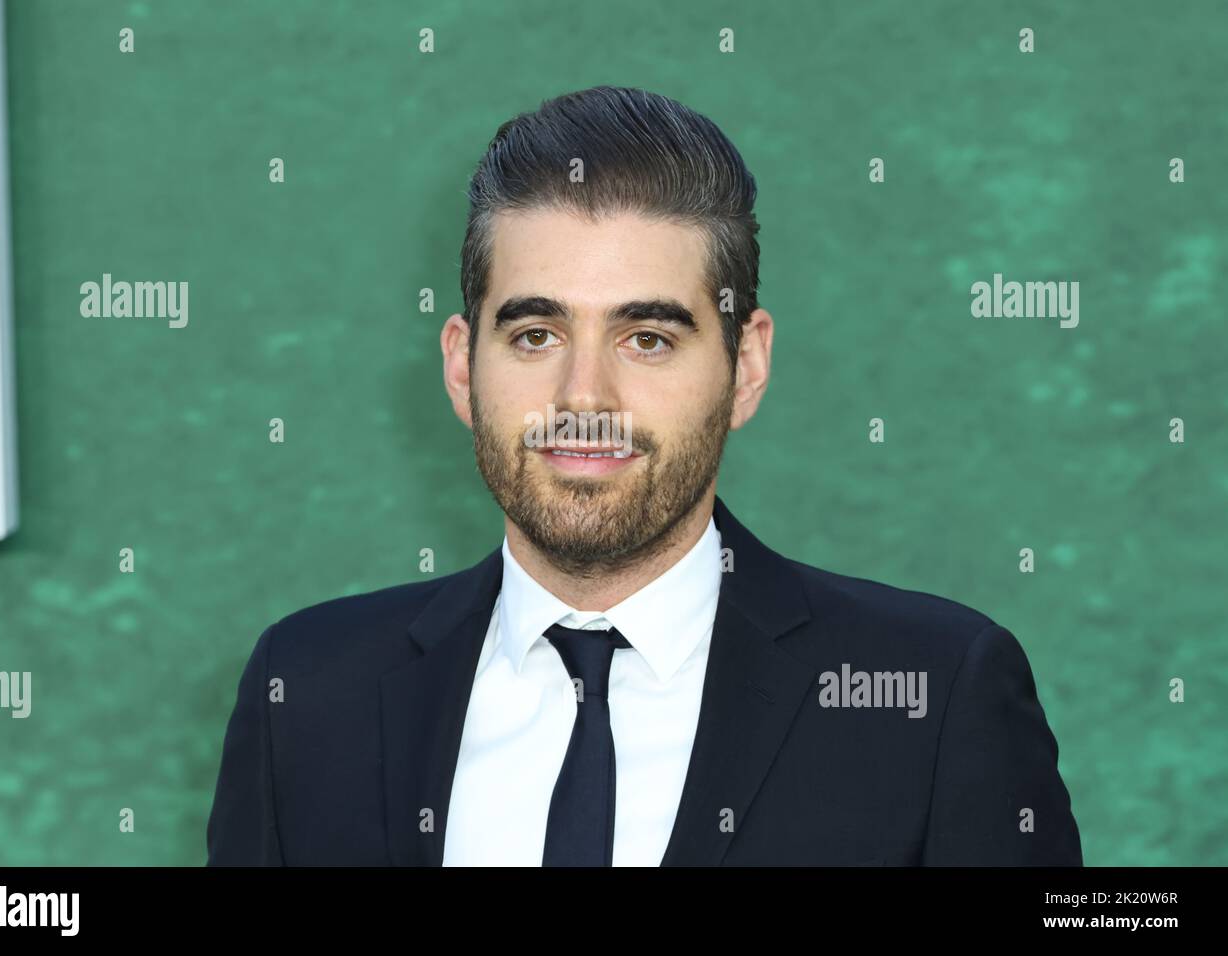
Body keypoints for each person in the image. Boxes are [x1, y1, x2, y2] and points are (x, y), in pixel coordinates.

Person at [207, 85, 1082, 866]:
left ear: (745, 368)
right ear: (463, 368)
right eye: (536, 335)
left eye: (649, 339)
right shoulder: (309, 694)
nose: (585, 394)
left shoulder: (934, 699)